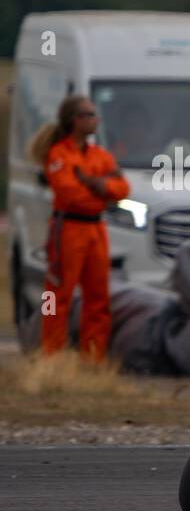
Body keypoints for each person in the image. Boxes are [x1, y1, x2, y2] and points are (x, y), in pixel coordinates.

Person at [28, 95, 130, 360]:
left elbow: (122, 189)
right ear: (76, 120)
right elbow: (70, 194)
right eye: (90, 114)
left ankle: (93, 358)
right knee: (57, 294)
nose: (96, 120)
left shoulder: (99, 155)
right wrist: (101, 190)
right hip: (68, 229)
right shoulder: (59, 154)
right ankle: (51, 355)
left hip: (96, 229)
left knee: (98, 297)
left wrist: (97, 185)